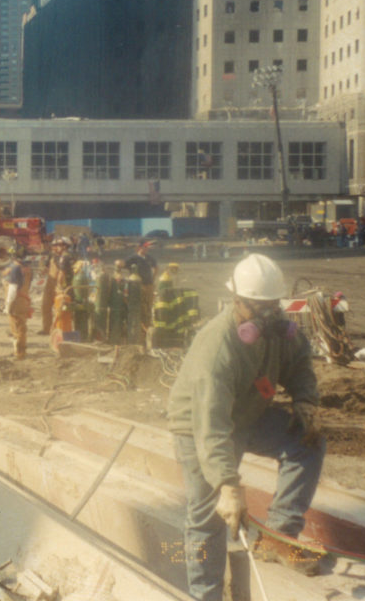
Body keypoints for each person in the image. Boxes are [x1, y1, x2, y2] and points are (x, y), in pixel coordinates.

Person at [167, 253, 325, 601]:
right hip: (198, 427)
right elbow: (210, 425)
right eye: (258, 309)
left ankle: (277, 538)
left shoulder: (277, 328)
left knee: (307, 441)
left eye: (273, 307)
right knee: (207, 516)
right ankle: (204, 595)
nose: (268, 317)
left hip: (247, 415)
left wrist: (304, 399)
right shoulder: (218, 346)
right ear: (236, 301)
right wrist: (227, 484)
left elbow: (299, 362)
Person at [151, 262, 200, 349]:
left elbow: (160, 317)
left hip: (165, 333)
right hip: (181, 329)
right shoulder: (179, 293)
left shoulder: (161, 297)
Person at [3, 244, 33, 359]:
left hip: (15, 301)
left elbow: (13, 289)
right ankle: (21, 351)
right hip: (24, 300)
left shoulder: (14, 269)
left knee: (16, 329)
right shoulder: (28, 269)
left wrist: (8, 305)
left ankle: (19, 353)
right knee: (22, 327)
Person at [126, 240, 158, 329]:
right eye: (145, 247)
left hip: (149, 285)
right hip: (139, 286)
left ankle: (147, 324)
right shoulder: (133, 258)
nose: (146, 249)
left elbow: (156, 267)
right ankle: (140, 325)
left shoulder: (149, 258)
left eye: (147, 247)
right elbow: (125, 265)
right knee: (141, 305)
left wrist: (153, 278)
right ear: (140, 248)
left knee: (149, 304)